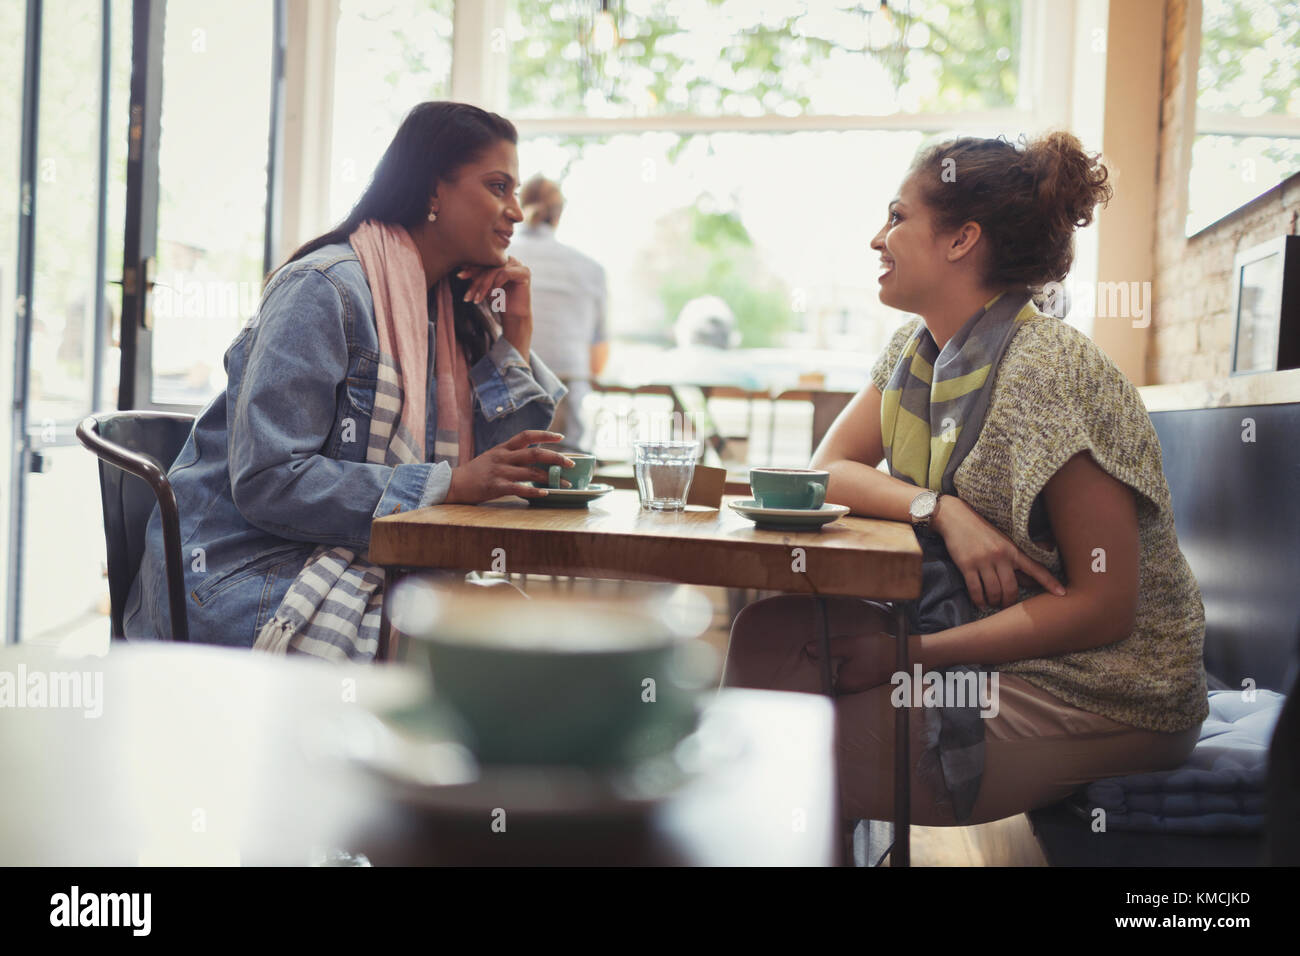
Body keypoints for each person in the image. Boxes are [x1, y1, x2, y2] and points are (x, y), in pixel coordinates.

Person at [723, 132, 1208, 828]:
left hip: (1104, 690)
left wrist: (906, 657)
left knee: (792, 753)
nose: (876, 239)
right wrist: (939, 509)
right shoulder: (912, 349)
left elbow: (1104, 607)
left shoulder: (1048, 371)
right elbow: (827, 471)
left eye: (896, 217)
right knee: (769, 636)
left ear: (962, 241)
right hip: (987, 635)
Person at [124, 102, 572, 658]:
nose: (516, 211)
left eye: (515, 189)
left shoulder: (449, 313)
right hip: (251, 577)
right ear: (434, 190)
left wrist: (517, 333)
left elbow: (504, 472)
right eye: (497, 186)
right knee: (490, 658)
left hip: (361, 563)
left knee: (531, 639)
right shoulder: (323, 288)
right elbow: (270, 480)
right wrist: (446, 486)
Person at [506, 175, 608, 454]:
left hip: (507, 394)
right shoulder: (590, 269)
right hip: (570, 399)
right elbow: (598, 359)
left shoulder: (500, 258)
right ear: (559, 215)